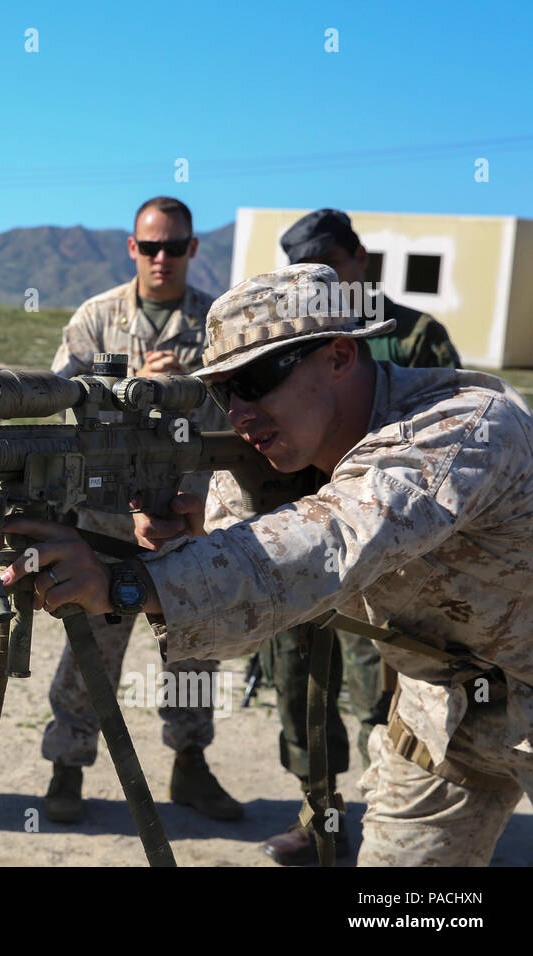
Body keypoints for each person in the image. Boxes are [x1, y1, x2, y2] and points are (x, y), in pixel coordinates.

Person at [2, 262, 533, 867]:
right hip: (442, 716)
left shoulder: (462, 424)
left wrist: (130, 584)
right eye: (222, 392)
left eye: (255, 381)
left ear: (338, 356)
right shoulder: (273, 455)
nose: (238, 413)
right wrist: (179, 546)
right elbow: (252, 610)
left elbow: (333, 538)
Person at [257, 208, 465, 864]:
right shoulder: (284, 346)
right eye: (303, 276)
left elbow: (450, 452)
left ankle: (388, 823)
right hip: (303, 549)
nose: (318, 285)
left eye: (330, 270)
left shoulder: (414, 338)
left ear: (360, 260)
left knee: (380, 695)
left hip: (384, 563)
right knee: (298, 689)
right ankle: (318, 818)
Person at [42, 196, 242, 825]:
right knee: (90, 651)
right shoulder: (97, 319)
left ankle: (190, 766)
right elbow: (59, 404)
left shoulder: (217, 325)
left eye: (175, 247)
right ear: (132, 248)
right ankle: (67, 767)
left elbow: (239, 420)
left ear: (192, 249)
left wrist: (189, 387)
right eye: (150, 247)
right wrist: (130, 380)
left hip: (185, 521)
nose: (162, 258)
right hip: (103, 525)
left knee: (193, 648)